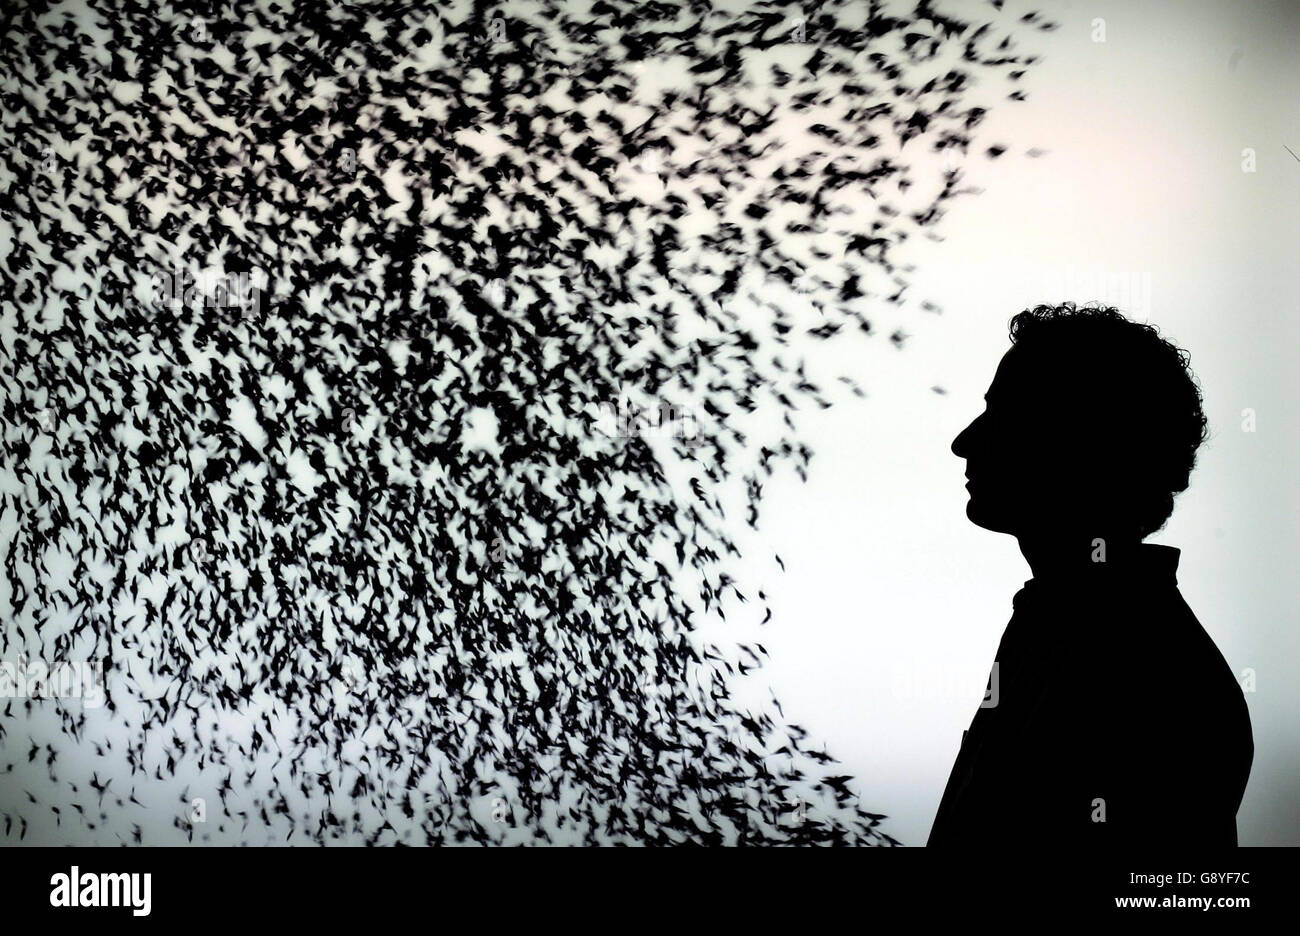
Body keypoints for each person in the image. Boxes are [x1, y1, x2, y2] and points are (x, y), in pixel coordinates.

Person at [928, 303, 1253, 847]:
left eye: (1004, 414)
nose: (964, 441)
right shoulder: (1059, 625)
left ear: (1080, 441)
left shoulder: (1140, 665)